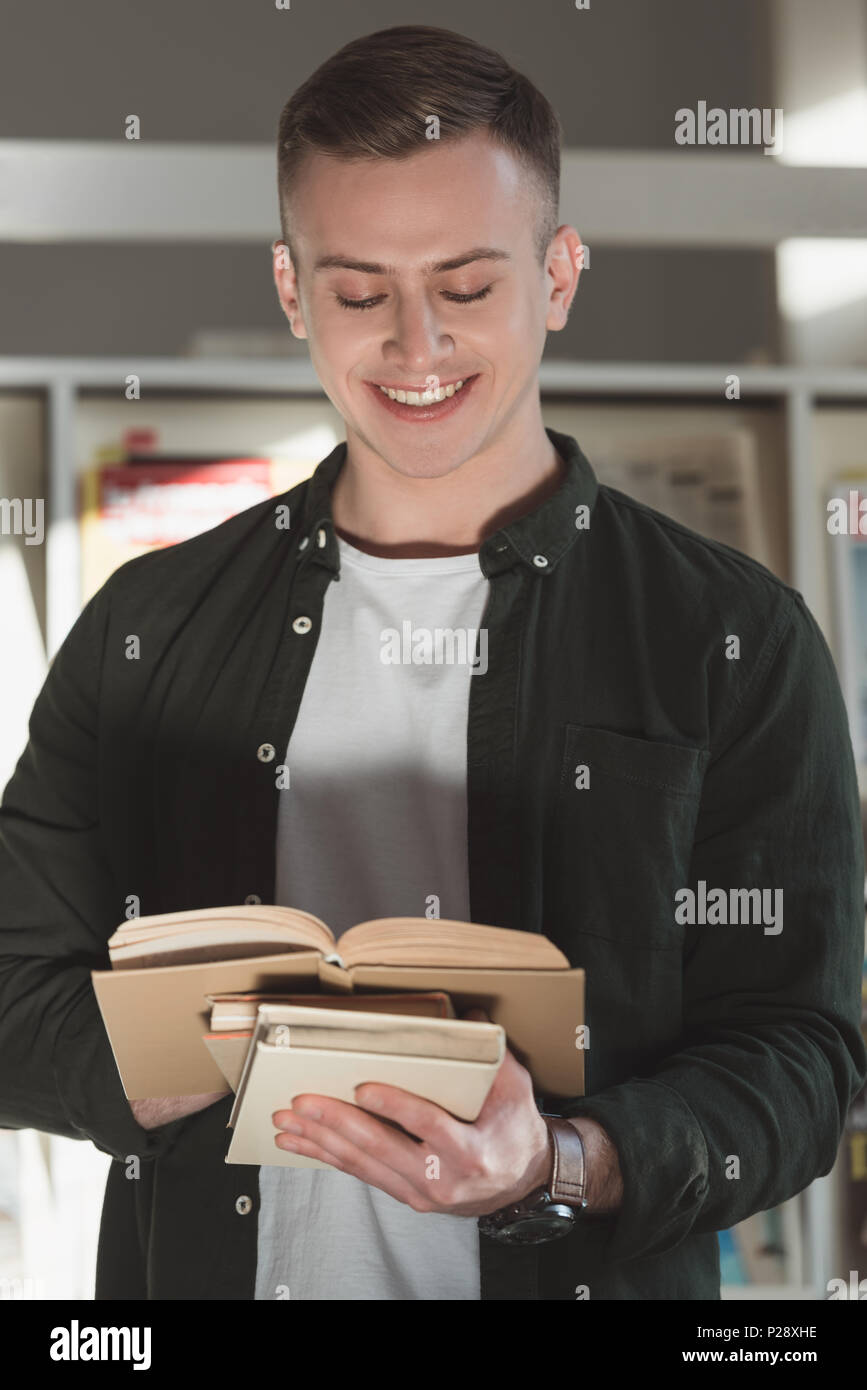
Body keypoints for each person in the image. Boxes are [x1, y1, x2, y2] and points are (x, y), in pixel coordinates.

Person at [0, 24, 864, 1302]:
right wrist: (201, 1052)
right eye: (359, 294)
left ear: (559, 276)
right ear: (293, 290)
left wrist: (563, 1160)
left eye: (467, 288)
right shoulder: (150, 623)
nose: (416, 348)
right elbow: (13, 1004)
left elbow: (802, 1055)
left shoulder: (726, 637)